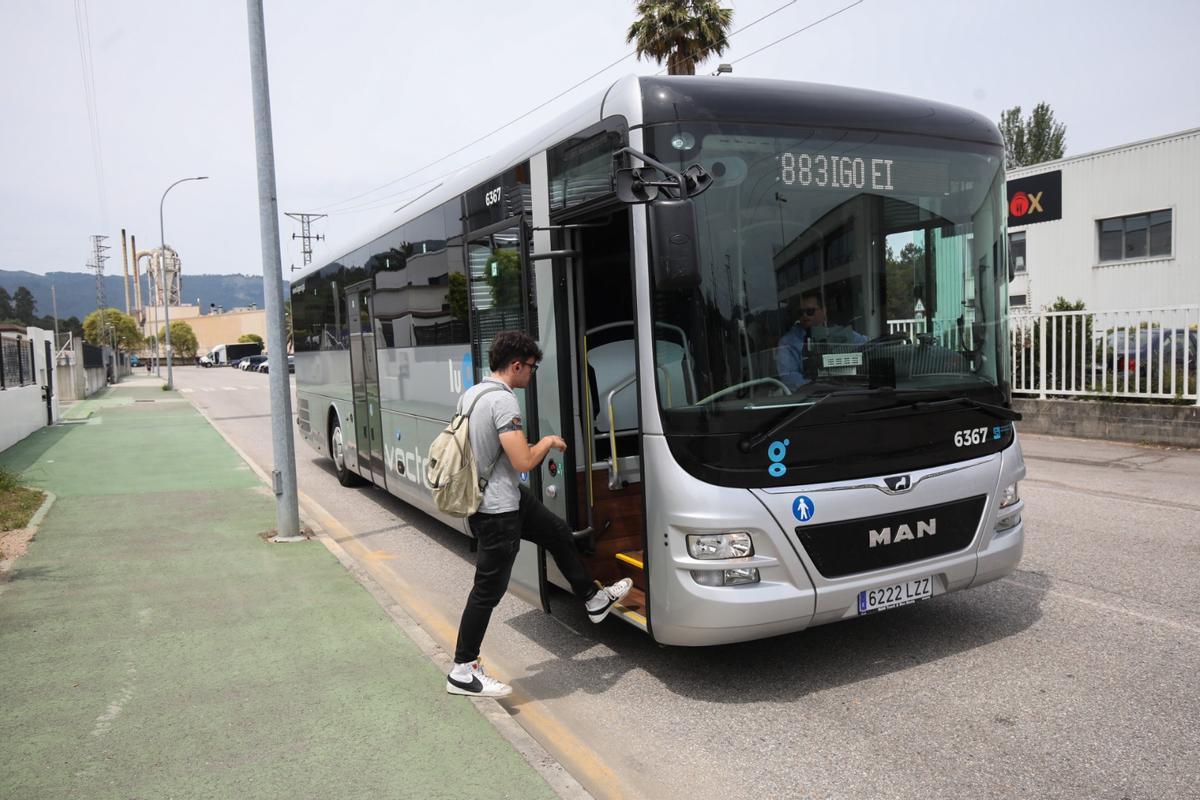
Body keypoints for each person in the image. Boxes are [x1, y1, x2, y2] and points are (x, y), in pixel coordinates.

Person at [447, 330, 632, 699]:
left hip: (508, 499)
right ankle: (462, 670)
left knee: (557, 531)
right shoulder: (503, 403)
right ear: (515, 365)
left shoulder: (473, 393)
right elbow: (523, 461)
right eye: (531, 368)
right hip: (498, 511)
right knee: (488, 591)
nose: (532, 374)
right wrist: (547, 441)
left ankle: (592, 599)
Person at [776, 291, 869, 390]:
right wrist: (820, 389)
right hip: (813, 399)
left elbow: (870, 346)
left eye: (810, 311)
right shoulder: (789, 342)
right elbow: (790, 378)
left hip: (848, 394)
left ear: (824, 310)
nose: (805, 315)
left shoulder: (841, 333)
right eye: (801, 312)